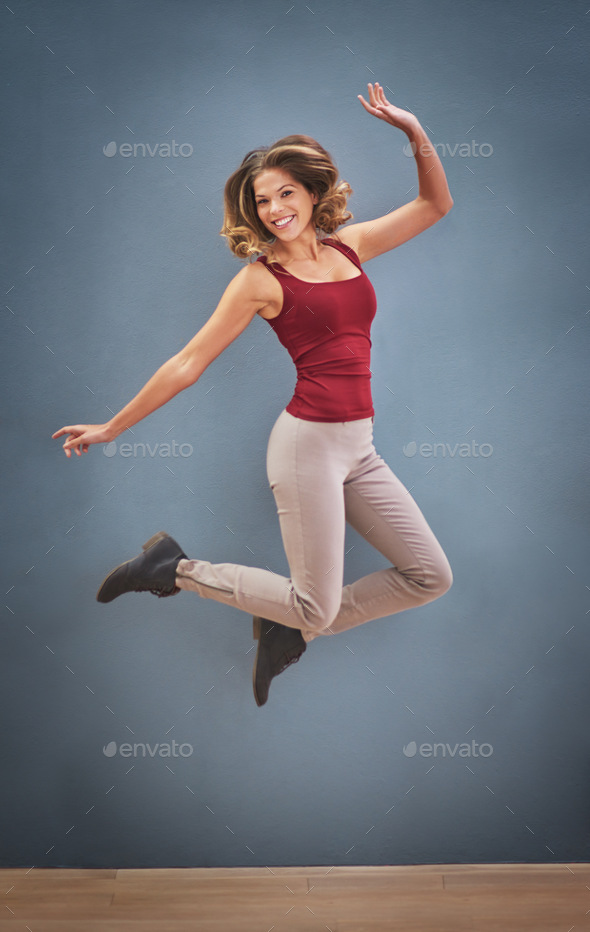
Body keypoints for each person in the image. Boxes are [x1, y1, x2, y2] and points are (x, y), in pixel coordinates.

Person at [53, 82, 454, 707]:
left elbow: (434, 205)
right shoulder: (259, 280)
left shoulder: (350, 246)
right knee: (316, 606)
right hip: (308, 447)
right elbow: (188, 362)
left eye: (285, 193)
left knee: (430, 576)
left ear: (313, 192)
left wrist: (413, 131)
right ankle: (174, 569)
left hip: (360, 447)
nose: (273, 209)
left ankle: (287, 623)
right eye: (262, 201)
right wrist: (112, 426)